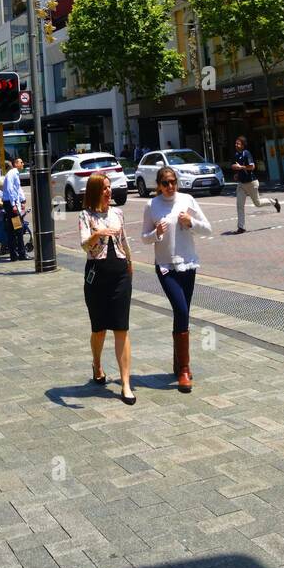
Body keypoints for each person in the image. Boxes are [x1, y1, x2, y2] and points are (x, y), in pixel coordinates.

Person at [142, 165, 212, 393]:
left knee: (182, 312)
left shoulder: (187, 200)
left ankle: (177, 362)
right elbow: (144, 238)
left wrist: (191, 223)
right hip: (165, 267)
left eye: (173, 182)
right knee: (181, 310)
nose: (170, 186)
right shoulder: (151, 206)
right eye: (165, 183)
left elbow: (207, 229)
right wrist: (156, 234)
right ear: (158, 185)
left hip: (188, 263)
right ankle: (184, 369)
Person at [79, 173, 135, 404]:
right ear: (94, 191)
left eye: (109, 187)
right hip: (97, 276)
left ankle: (125, 384)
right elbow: (84, 245)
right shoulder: (85, 215)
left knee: (121, 327)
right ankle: (97, 364)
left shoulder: (117, 213)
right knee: (99, 328)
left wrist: (130, 263)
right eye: (104, 188)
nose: (108, 191)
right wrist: (97, 234)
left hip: (120, 273)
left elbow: (123, 240)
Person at [231, 135, 280, 233]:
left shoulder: (246, 153)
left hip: (251, 183)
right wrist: (236, 174)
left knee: (257, 203)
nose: (236, 145)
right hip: (241, 184)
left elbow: (252, 167)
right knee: (239, 205)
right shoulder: (236, 155)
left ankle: (274, 202)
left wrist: (241, 167)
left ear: (243, 145)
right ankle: (241, 227)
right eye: (236, 143)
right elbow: (234, 166)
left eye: (238, 143)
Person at [2, 158, 28, 262]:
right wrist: (14, 204)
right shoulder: (12, 174)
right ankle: (21, 254)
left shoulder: (15, 173)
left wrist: (22, 200)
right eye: (21, 162)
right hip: (10, 204)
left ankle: (15, 254)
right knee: (18, 228)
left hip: (11, 204)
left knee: (13, 229)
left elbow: (18, 188)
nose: (23, 164)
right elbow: (10, 189)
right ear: (16, 164)